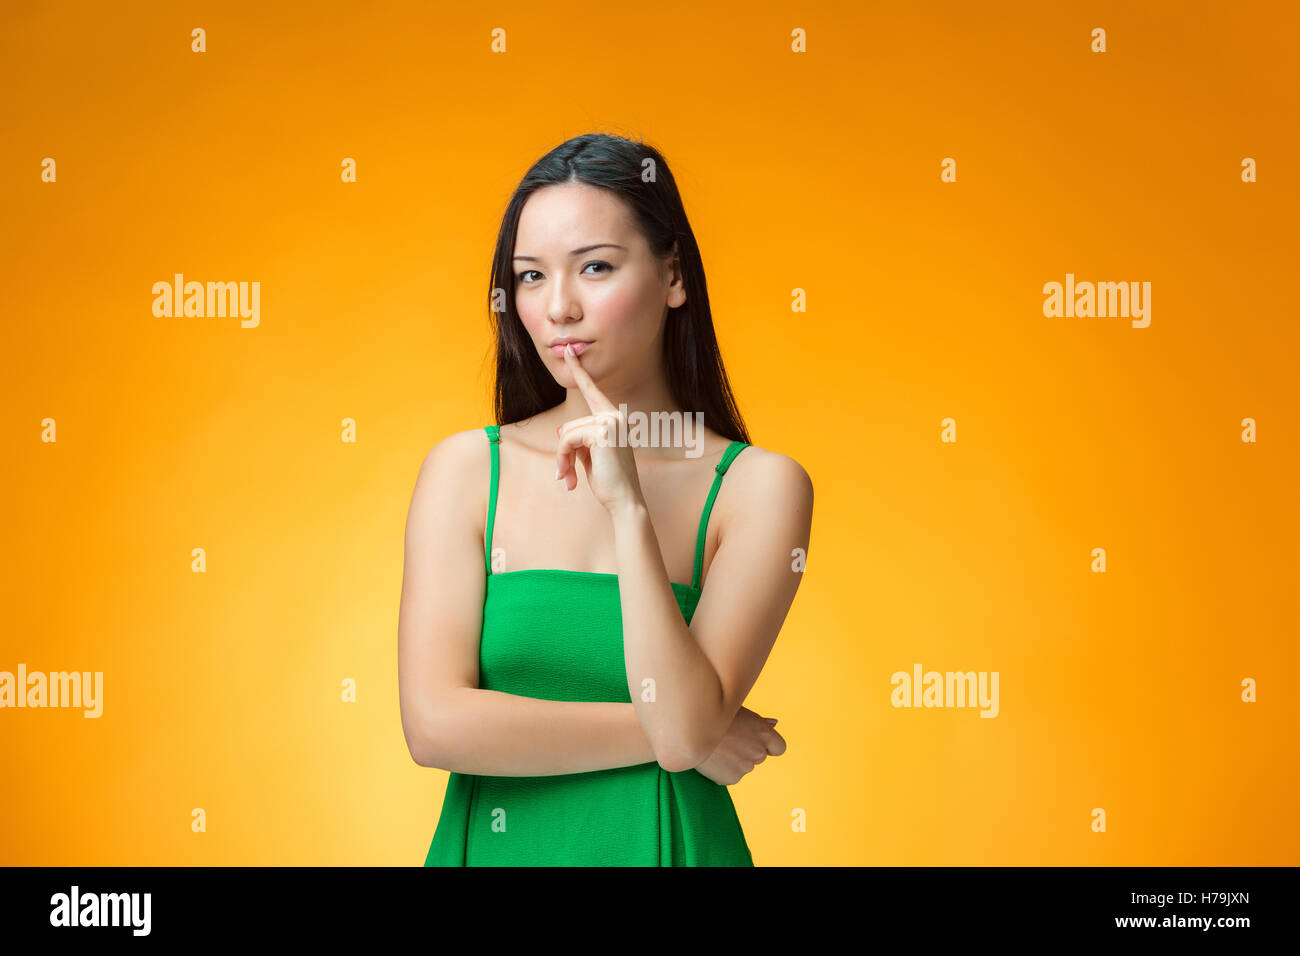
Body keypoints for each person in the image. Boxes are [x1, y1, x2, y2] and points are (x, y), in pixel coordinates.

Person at [398, 132, 814, 865]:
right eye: (530, 276)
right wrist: (681, 732)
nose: (559, 307)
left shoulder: (757, 489)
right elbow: (434, 726)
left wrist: (629, 511)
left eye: (594, 267)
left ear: (673, 276)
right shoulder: (466, 470)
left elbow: (686, 732)